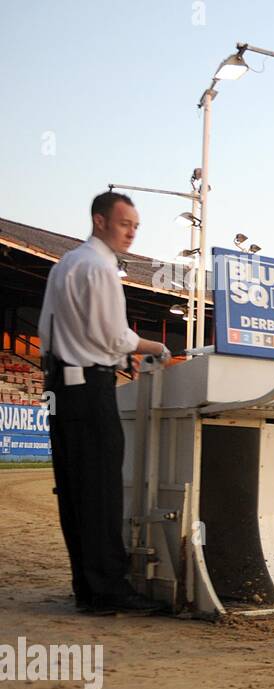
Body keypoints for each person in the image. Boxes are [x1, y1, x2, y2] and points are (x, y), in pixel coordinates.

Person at [39, 192, 171, 614]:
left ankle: (89, 588)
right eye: (123, 223)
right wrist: (157, 347)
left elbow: (46, 328)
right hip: (89, 385)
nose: (131, 231)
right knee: (100, 490)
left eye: (135, 225)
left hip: (59, 386)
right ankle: (109, 590)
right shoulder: (99, 267)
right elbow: (115, 338)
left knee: (75, 491)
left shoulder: (66, 263)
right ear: (100, 221)